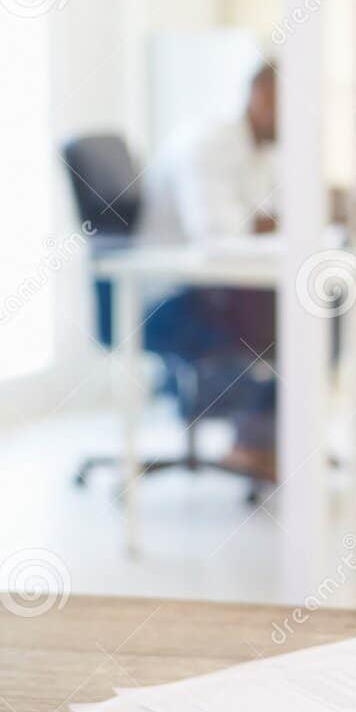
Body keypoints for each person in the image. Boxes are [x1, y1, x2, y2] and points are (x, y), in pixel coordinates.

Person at [140, 61, 281, 481]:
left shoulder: (260, 153)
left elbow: (265, 217)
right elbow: (217, 236)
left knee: (316, 297)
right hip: (162, 297)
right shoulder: (209, 145)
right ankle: (253, 438)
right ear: (263, 96)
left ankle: (260, 433)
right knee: (296, 311)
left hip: (207, 287)